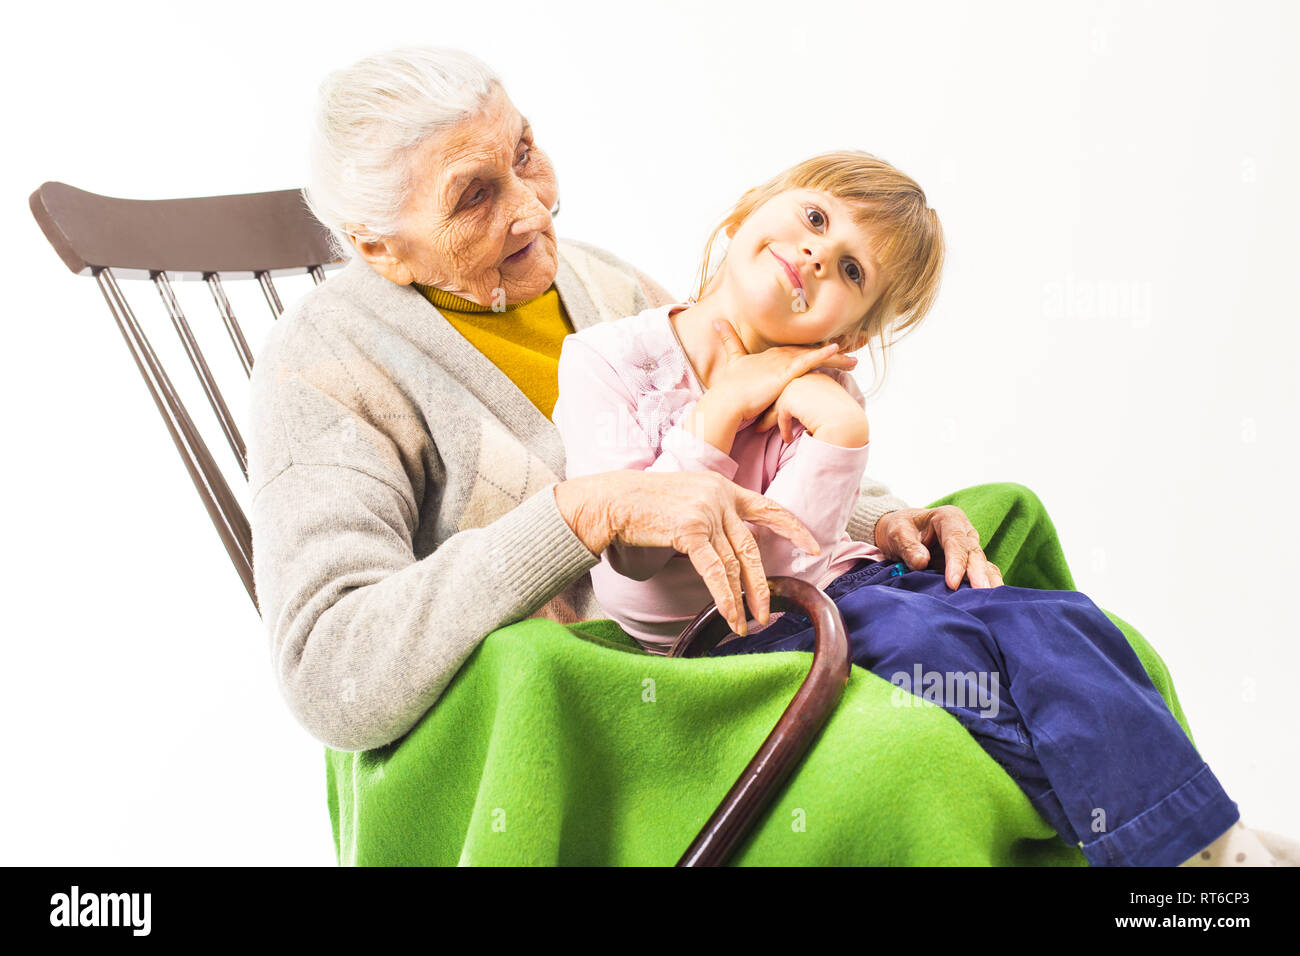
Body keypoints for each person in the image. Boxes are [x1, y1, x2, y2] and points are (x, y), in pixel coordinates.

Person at [248, 45, 1229, 864]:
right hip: (580, 699)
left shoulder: (598, 280)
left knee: (1030, 570)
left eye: (526, 153)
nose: (535, 208)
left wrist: (876, 517)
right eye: (475, 198)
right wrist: (582, 514)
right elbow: (331, 672)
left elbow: (742, 452)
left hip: (732, 610)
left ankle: (1172, 844)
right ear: (379, 248)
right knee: (910, 754)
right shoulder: (327, 363)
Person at [553, 151, 1280, 867]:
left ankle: (1200, 845)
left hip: (854, 591)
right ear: (748, 206)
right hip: (742, 631)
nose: (814, 255)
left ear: (849, 337)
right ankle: (1175, 845)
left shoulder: (824, 391)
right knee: (935, 646)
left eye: (850, 270)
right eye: (815, 217)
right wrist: (725, 407)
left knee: (1056, 623)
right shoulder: (606, 359)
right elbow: (641, 556)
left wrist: (838, 424)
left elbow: (811, 538)